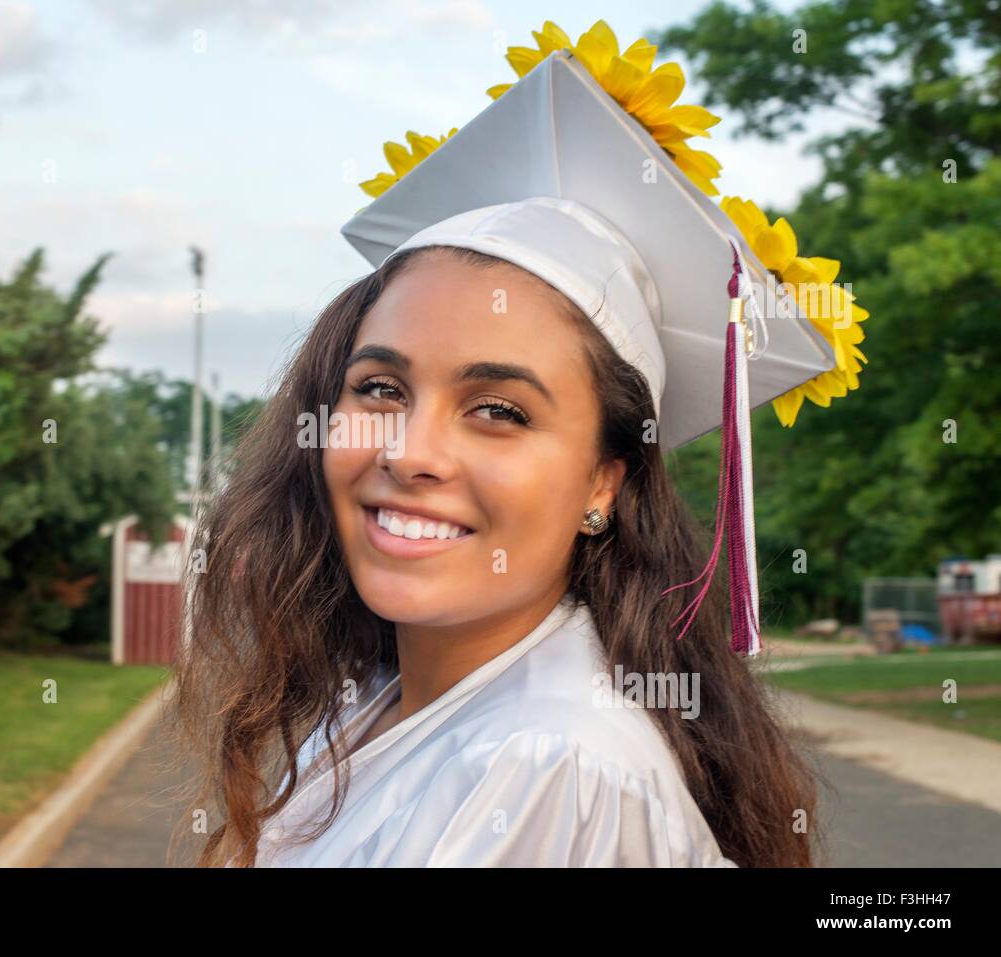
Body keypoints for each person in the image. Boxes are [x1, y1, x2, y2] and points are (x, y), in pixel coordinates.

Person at [168, 18, 858, 868]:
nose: (411, 452)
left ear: (604, 482)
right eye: (380, 388)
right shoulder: (389, 700)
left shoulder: (548, 766)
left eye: (499, 410)